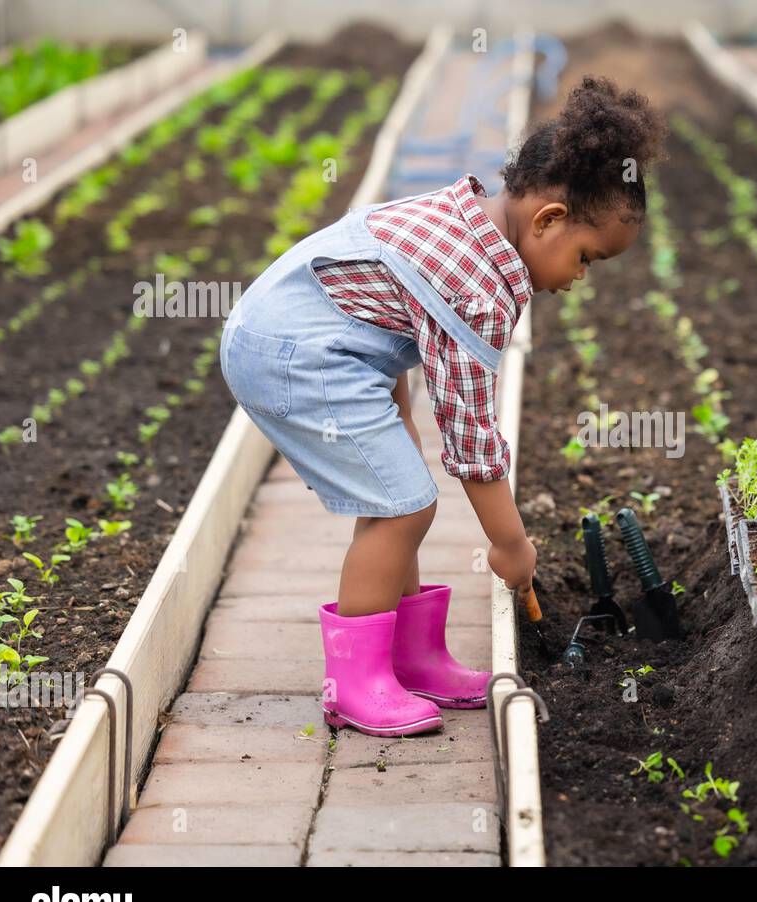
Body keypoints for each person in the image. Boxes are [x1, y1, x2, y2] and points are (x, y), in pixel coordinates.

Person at [218, 76, 667, 736]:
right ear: (547, 221)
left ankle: (414, 657)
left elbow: (382, 301)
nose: (577, 280)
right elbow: (473, 440)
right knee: (401, 505)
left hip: (315, 336)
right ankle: (355, 683)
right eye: (586, 259)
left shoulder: (469, 224)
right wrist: (511, 544)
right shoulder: (480, 289)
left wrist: (393, 409)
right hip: (293, 352)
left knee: (399, 495)